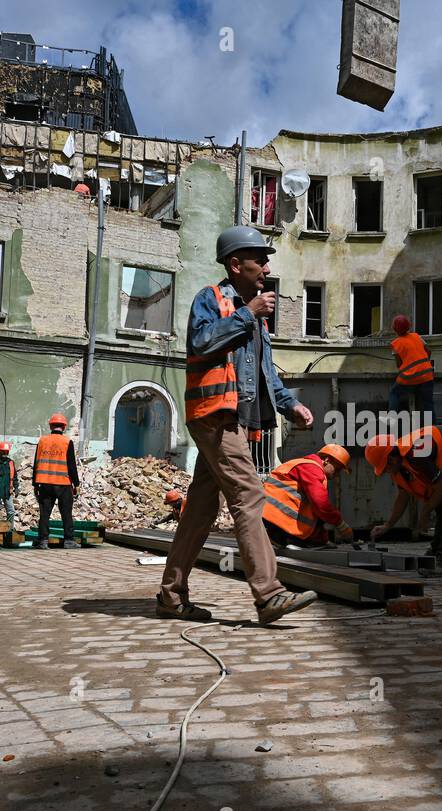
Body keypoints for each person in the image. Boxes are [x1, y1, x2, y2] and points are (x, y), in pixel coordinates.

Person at [158, 225, 319, 626]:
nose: (266, 267)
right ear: (235, 264)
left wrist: (290, 405)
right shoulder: (213, 300)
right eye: (258, 260)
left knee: (199, 509)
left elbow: (266, 374)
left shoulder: (256, 316)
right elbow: (199, 342)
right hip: (215, 414)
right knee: (249, 496)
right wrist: (248, 314)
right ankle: (269, 595)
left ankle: (171, 595)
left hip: (233, 418)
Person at [366, 424, 442, 577]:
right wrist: (388, 525)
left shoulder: (417, 454)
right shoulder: (400, 464)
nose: (385, 472)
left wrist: (425, 512)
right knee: (441, 504)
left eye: (384, 468)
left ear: (391, 459)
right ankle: (436, 551)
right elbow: (403, 496)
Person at [262, 444, 354, 547]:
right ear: (327, 460)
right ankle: (276, 536)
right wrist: (340, 524)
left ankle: (280, 537)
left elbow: (316, 512)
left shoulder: (309, 467)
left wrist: (322, 541)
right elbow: (321, 504)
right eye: (337, 469)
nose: (337, 474)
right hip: (273, 517)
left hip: (272, 516)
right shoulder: (312, 468)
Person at [32, 413, 80, 550]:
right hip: (63, 483)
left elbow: (36, 463)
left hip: (45, 483)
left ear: (50, 425)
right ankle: (69, 541)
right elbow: (72, 465)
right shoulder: (67, 442)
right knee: (66, 513)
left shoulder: (42, 441)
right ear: (64, 427)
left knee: (45, 514)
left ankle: (43, 541)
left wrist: (35, 484)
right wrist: (76, 484)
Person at [388, 314, 435, 421]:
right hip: (427, 375)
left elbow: (399, 364)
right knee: (428, 404)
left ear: (395, 329)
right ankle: (433, 429)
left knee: (394, 393)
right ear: (408, 326)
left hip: (409, 378)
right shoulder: (417, 336)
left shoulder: (396, 344)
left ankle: (391, 418)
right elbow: (429, 351)